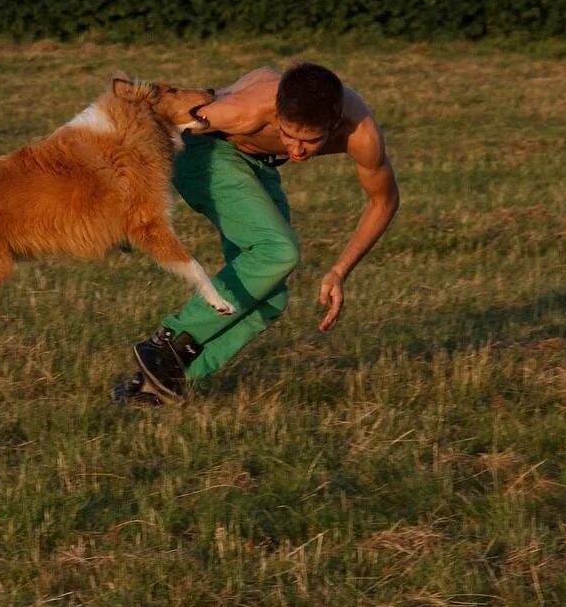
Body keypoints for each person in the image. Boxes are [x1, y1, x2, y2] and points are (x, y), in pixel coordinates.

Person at [111, 61, 400, 403]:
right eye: (288, 135)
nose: (296, 150)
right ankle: (168, 342)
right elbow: (150, 123)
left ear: (334, 123)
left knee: (269, 298)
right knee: (279, 251)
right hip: (206, 152)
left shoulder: (362, 134)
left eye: (310, 141)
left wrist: (339, 271)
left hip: (258, 165)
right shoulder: (243, 110)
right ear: (278, 113)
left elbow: (384, 201)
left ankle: (164, 383)